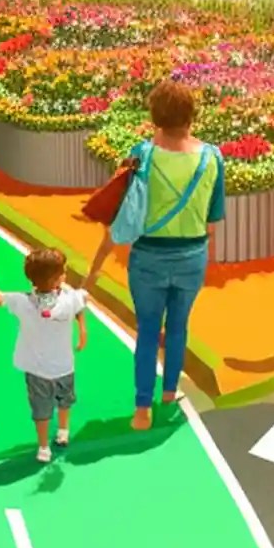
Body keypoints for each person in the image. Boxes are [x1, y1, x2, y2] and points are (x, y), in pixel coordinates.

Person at [83, 80, 225, 431]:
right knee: (178, 327)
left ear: (155, 116)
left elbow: (123, 207)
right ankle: (169, 392)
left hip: (147, 256)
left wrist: (94, 269)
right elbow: (213, 219)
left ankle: (141, 409)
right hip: (192, 255)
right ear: (192, 115)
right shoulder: (212, 157)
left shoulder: (141, 154)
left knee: (148, 330)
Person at [0, 247, 87, 463]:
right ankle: (61, 432)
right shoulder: (69, 299)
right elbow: (83, 298)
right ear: (56, 279)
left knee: (43, 409)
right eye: (63, 271)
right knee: (64, 401)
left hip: (40, 370)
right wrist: (82, 327)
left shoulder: (21, 301)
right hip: (60, 368)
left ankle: (47, 444)